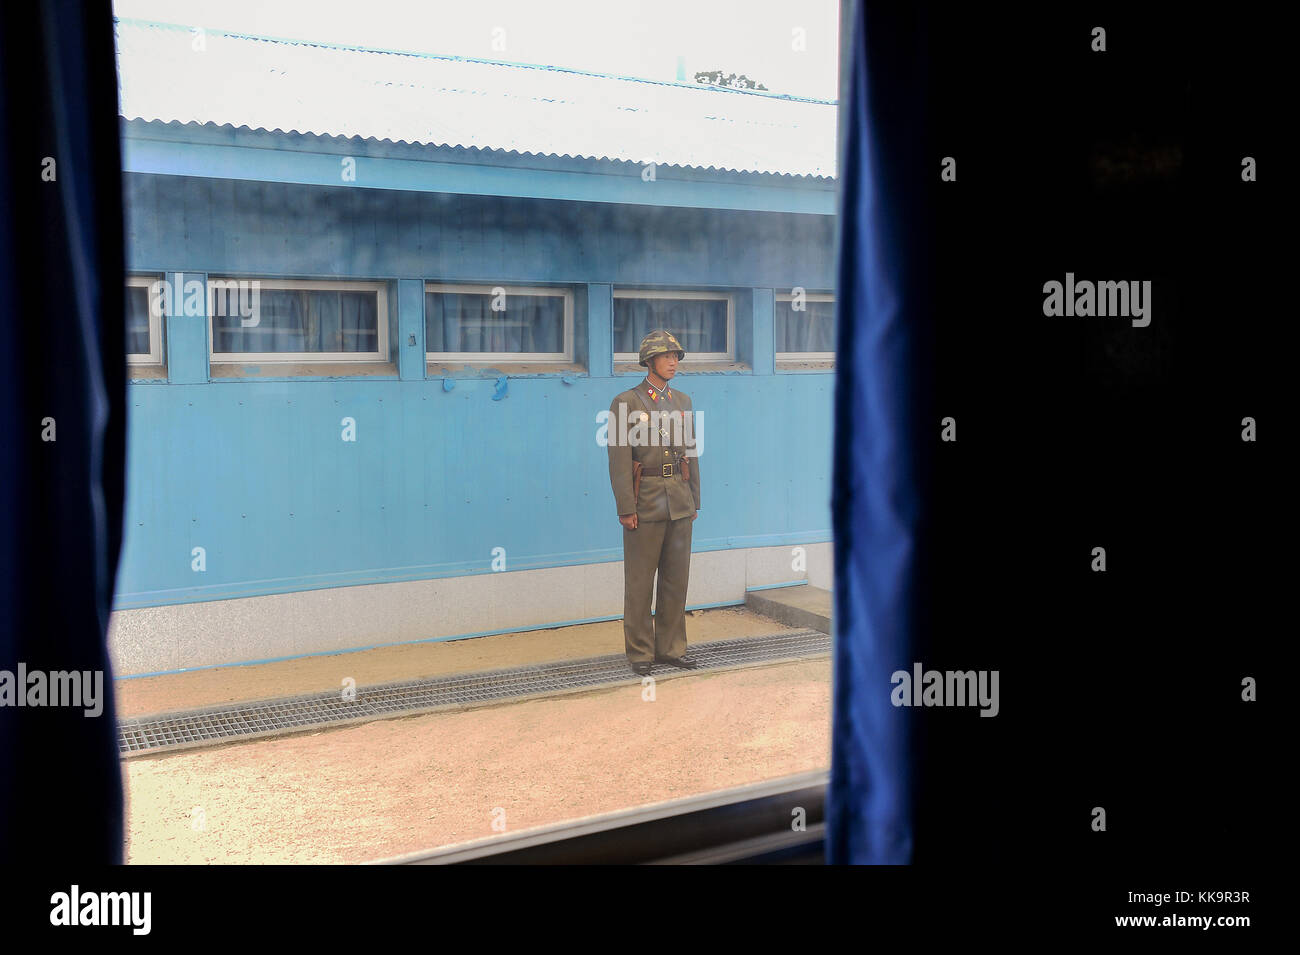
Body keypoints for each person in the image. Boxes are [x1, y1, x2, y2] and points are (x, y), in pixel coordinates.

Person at [606, 329, 701, 676]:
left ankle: (671, 648)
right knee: (640, 582)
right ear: (650, 361)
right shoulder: (625, 403)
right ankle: (641, 653)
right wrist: (626, 508)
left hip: (679, 497)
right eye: (666, 356)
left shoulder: (683, 401)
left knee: (677, 580)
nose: (673, 361)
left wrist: (694, 500)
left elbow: (691, 453)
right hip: (644, 500)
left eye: (676, 356)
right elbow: (618, 460)